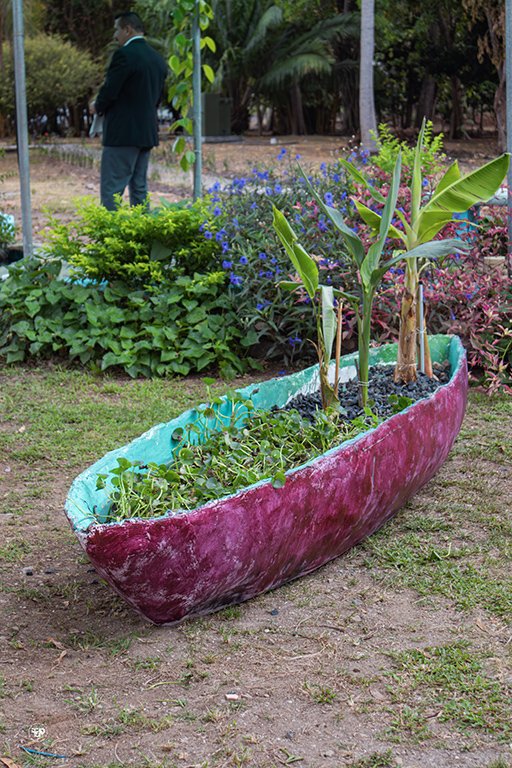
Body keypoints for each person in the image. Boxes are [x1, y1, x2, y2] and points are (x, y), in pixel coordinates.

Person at [92, 12, 168, 211]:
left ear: (128, 29)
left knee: (112, 190)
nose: (115, 36)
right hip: (146, 133)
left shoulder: (124, 55)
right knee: (139, 188)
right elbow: (158, 97)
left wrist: (97, 105)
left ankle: (110, 237)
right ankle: (141, 235)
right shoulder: (157, 59)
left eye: (117, 30)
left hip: (123, 134)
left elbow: (110, 90)